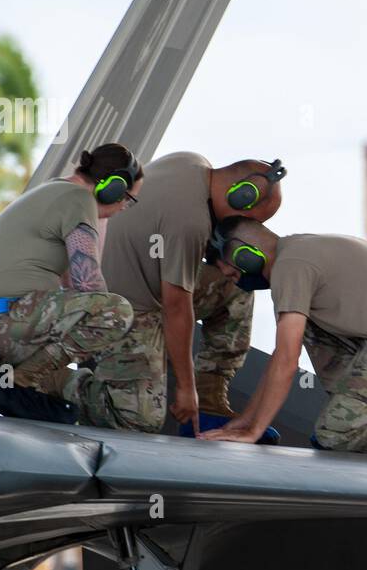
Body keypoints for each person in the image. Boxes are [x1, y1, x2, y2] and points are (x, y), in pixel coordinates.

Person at [198, 217, 367, 459]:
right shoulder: (298, 250)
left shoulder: (291, 266)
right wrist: (245, 420)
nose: (232, 278)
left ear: (246, 254)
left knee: (334, 434)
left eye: (231, 269)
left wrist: (253, 431)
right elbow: (280, 354)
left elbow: (287, 357)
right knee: (305, 326)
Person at [0, 143, 143, 422]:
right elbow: (89, 284)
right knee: (116, 311)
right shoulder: (77, 199)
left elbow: (71, 289)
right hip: (0, 324)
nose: (124, 207)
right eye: (128, 199)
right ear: (112, 187)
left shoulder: (55, 193)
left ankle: (23, 386)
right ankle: (22, 379)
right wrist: (115, 342)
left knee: (70, 402)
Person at [89, 153, 285, 433]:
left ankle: (209, 399)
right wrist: (185, 387)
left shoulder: (190, 163)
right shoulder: (190, 222)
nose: (238, 232)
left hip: (143, 283)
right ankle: (61, 384)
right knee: (139, 420)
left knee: (235, 282)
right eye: (244, 222)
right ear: (239, 196)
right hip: (121, 308)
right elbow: (176, 308)